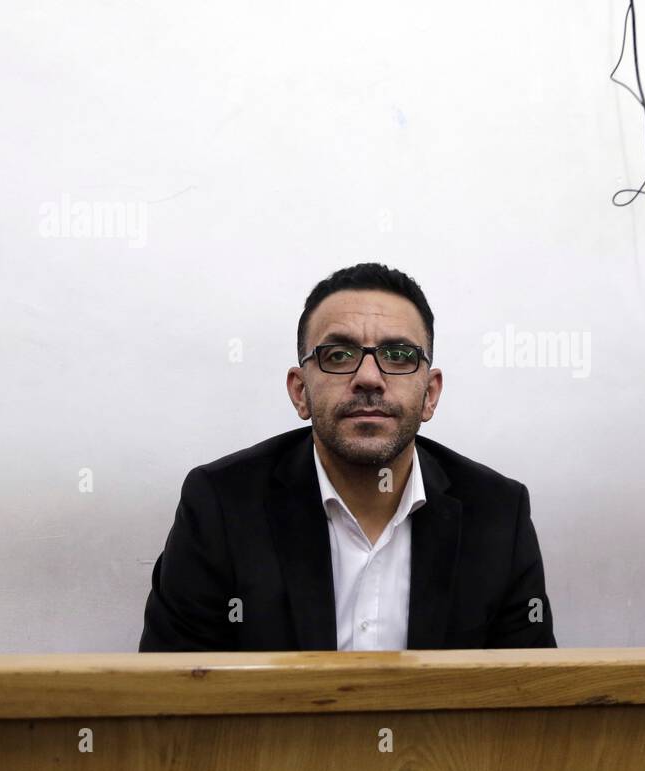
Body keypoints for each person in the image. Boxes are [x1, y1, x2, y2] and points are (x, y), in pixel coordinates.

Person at [140, 263, 556, 651]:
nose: (369, 378)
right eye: (339, 356)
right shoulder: (220, 506)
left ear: (429, 395)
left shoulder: (498, 513)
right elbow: (170, 697)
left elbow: (529, 701)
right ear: (300, 391)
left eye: (398, 356)